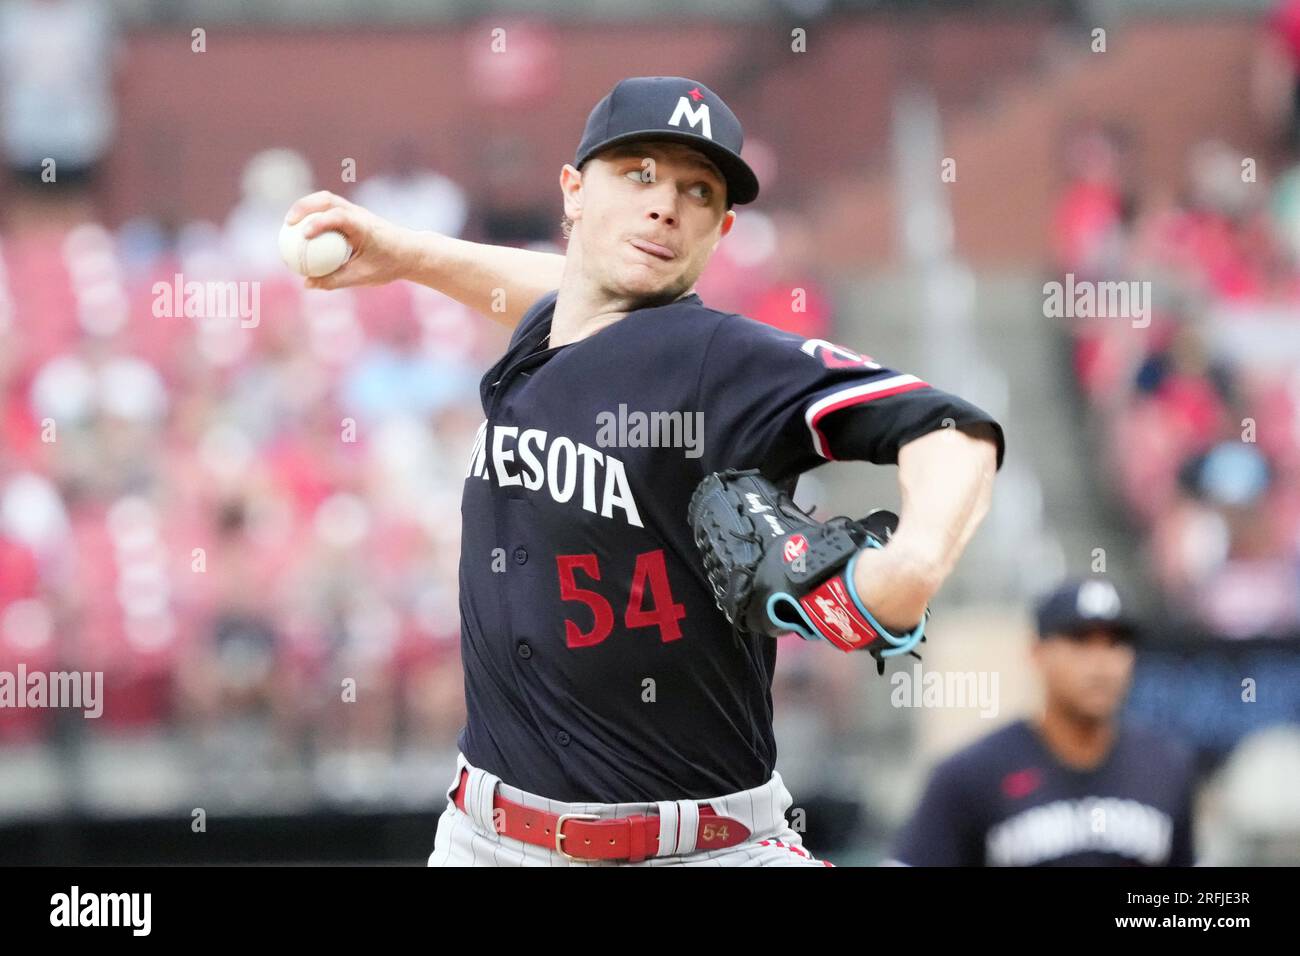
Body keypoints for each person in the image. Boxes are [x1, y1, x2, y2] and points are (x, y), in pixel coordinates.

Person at [284, 76, 1005, 866]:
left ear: (721, 228)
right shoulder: (554, 331)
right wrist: (406, 254)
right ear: (573, 191)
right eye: (639, 174)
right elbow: (563, 298)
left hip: (699, 848)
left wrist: (911, 567)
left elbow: (950, 428)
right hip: (482, 840)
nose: (666, 204)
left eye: (698, 190)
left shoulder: (719, 361)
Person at [886, 578, 1197, 867]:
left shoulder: (1166, 766)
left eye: (1116, 643)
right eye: (1081, 641)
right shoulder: (972, 774)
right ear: (1037, 653)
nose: (1103, 664)